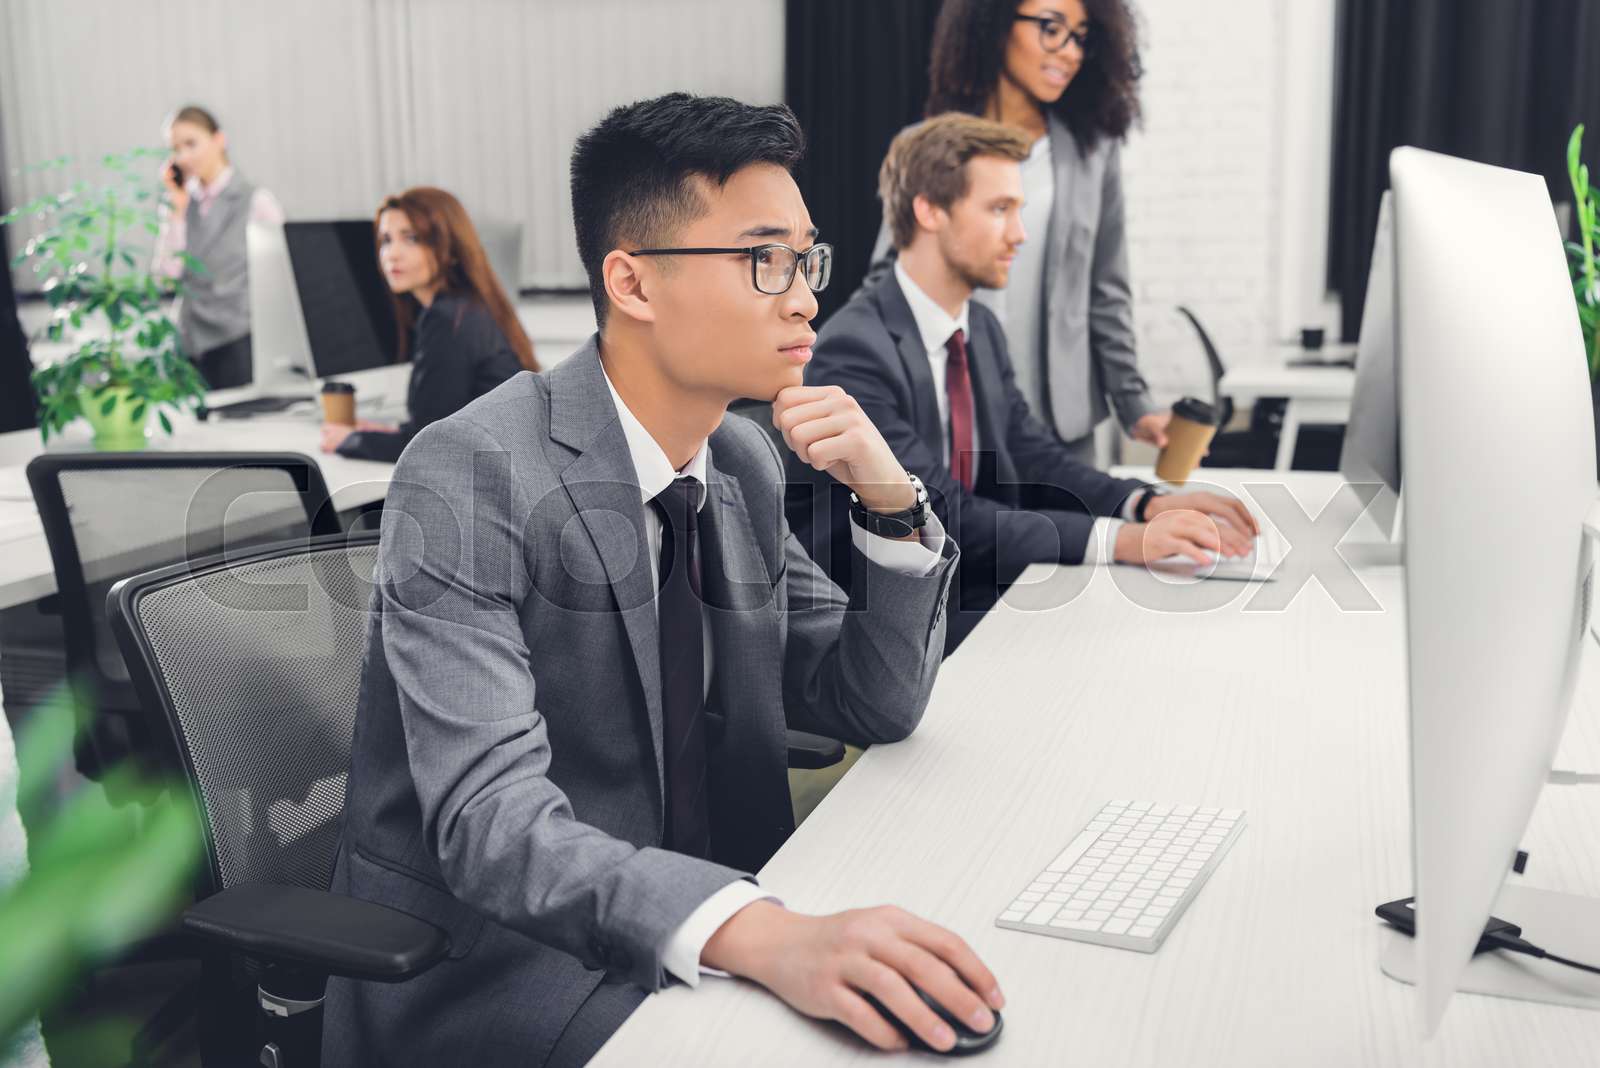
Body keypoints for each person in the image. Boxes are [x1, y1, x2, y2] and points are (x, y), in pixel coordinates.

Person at [323, 93, 1004, 1066]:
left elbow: (870, 699)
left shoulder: (742, 460)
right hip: (498, 966)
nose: (806, 295)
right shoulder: (472, 468)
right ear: (633, 283)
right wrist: (763, 932)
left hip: (699, 914)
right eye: (765, 260)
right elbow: (492, 825)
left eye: (807, 259)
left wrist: (890, 504)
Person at [790, 114, 1257, 652]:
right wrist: (1123, 540)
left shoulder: (979, 328)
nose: (1020, 233)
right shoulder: (855, 348)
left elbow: (1035, 456)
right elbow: (941, 513)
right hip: (902, 621)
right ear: (929, 210)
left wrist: (1142, 504)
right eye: (999, 209)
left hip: (986, 583)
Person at [862, 0, 1164, 466]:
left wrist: (1134, 402)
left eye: (1080, 37)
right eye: (1051, 28)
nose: (1069, 52)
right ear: (996, 26)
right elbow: (888, 278)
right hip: (956, 415)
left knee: (1075, 536)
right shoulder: (934, 145)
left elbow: (1106, 291)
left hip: (1062, 423)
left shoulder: (1092, 153)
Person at [320, 187, 537, 462]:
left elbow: (427, 446)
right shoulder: (468, 308)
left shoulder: (447, 320)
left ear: (450, 248)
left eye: (411, 239)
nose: (392, 254)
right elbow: (436, 426)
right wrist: (383, 432)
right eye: (385, 240)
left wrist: (350, 440)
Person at [153, 105, 284, 389]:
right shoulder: (179, 203)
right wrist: (176, 211)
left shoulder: (255, 201)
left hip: (237, 339)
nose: (183, 156)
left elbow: (280, 280)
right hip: (188, 342)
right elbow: (166, 277)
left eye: (191, 144)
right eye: (175, 149)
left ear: (218, 140)